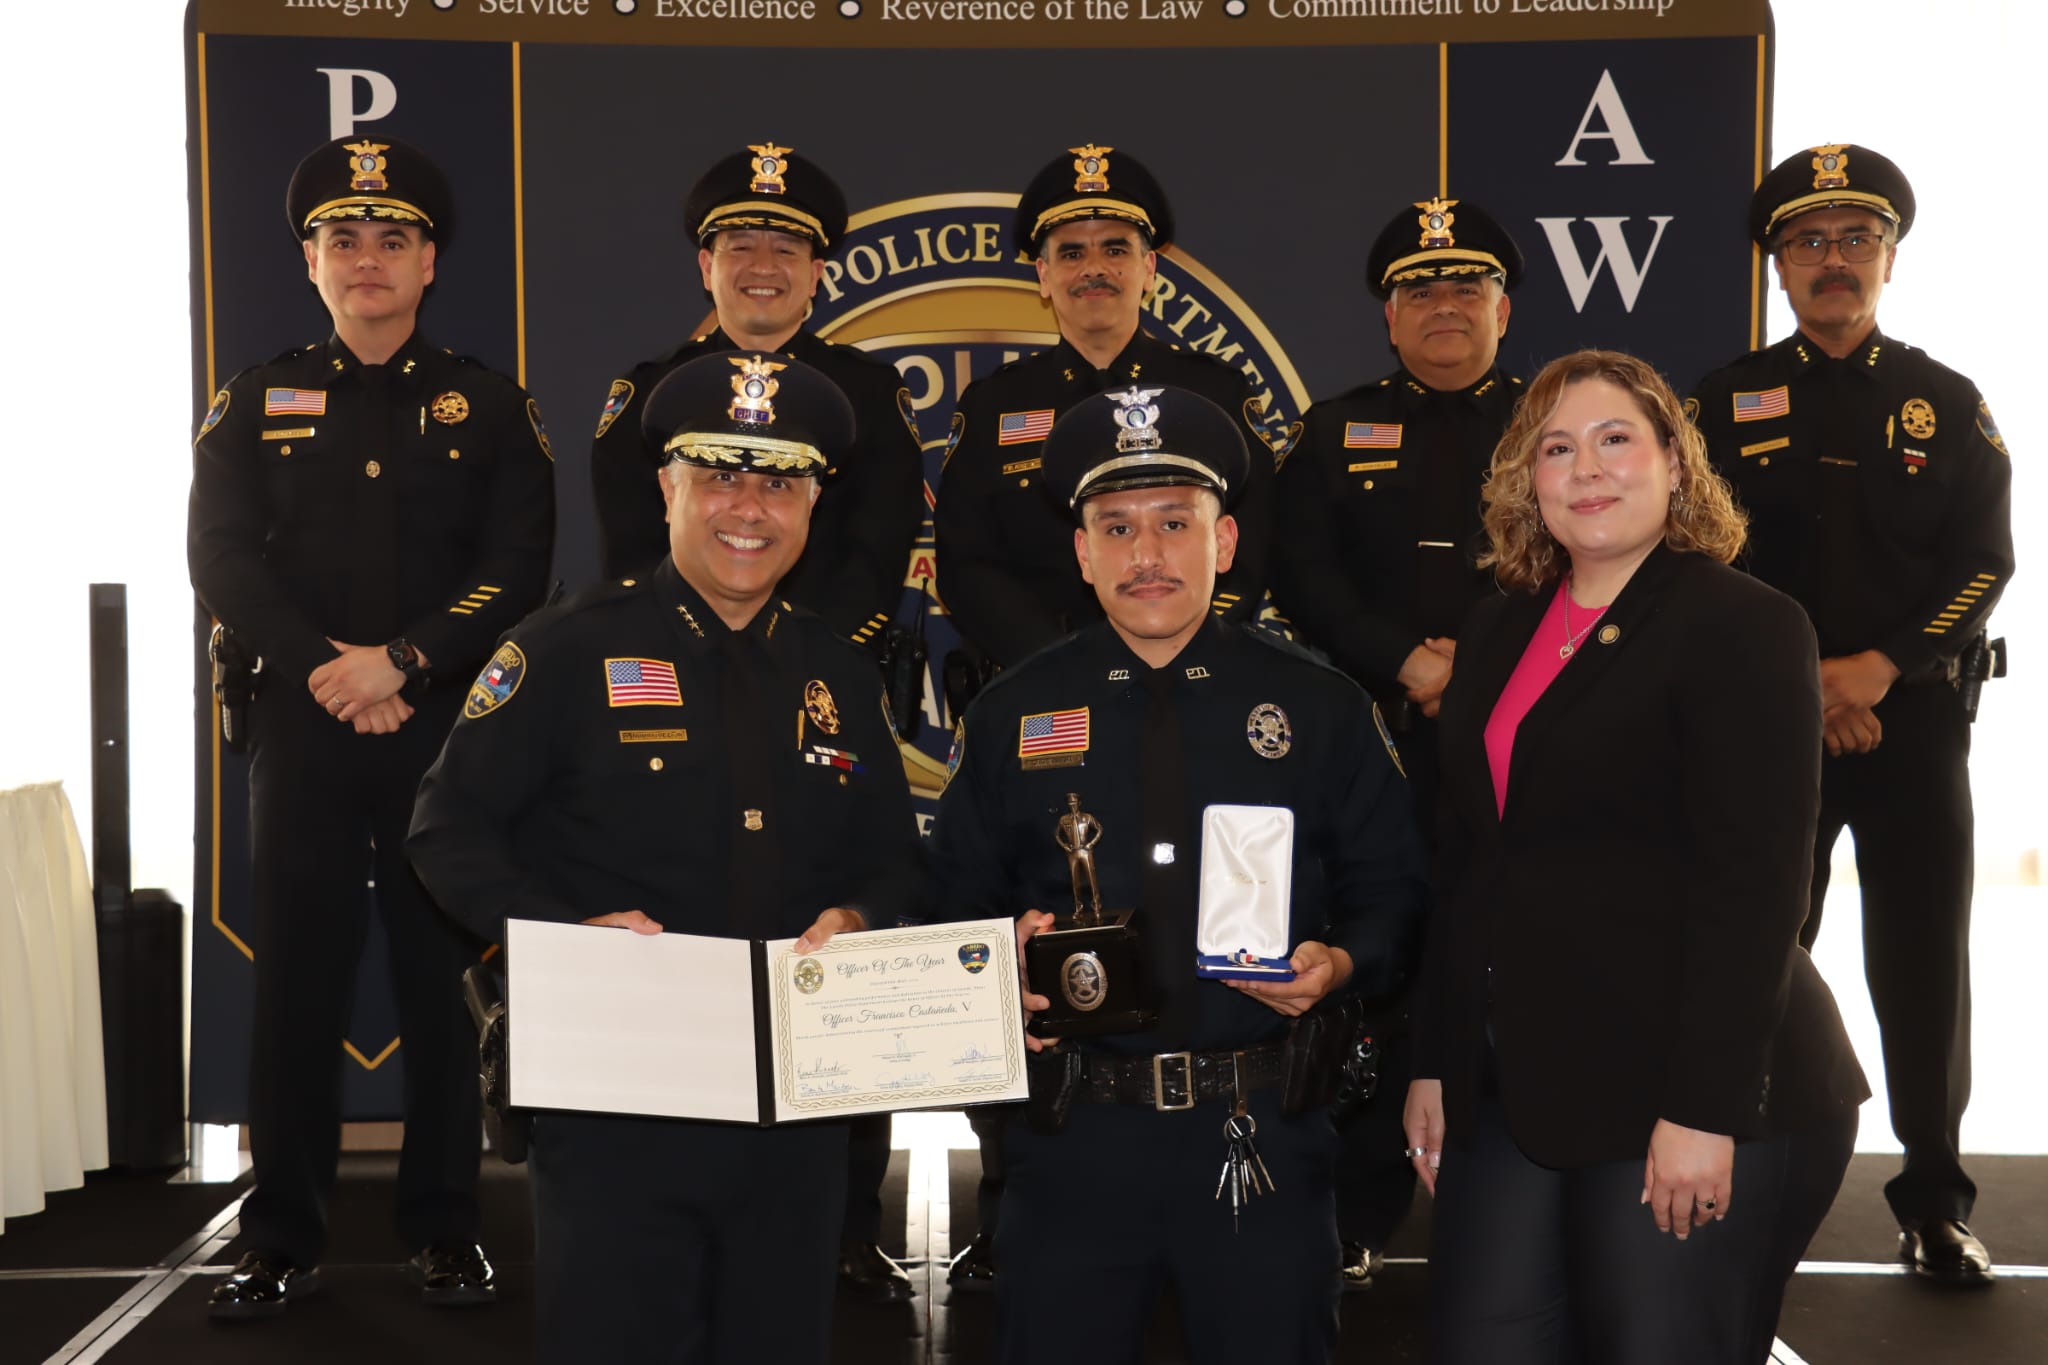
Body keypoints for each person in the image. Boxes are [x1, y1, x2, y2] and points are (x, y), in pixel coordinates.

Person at [408, 351, 921, 1363]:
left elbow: (895, 862)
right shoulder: (563, 650)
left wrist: (861, 919)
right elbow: (446, 828)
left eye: (779, 481)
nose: (750, 509)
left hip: (798, 1107)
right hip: (618, 1103)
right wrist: (563, 936)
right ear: (665, 489)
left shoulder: (837, 673)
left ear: (813, 502)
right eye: (720, 476)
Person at [928, 384, 1425, 1364]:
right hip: (1070, 1137)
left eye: (1172, 523)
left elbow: (1396, 891)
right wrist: (997, 954)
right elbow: (946, 900)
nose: (1145, 554)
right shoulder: (1009, 712)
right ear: (1080, 552)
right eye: (1115, 527)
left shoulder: (1316, 706)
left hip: (1259, 1132)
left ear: (1225, 540)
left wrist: (1336, 963)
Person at [1404, 350, 1869, 1364]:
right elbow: (1467, 863)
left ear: (1672, 460)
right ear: (1526, 482)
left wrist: (1702, 1112)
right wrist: (1437, 1061)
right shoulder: (1494, 628)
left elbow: (1755, 890)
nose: (1585, 469)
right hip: (1518, 1081)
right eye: (1555, 449)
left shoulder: (1742, 625)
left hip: (1698, 1086)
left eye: (1614, 439)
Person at [187, 136, 555, 1318]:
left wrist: (399, 662)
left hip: (443, 733)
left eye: (392, 239)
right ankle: (277, 1235)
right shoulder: (256, 398)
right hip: (300, 728)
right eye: (343, 239)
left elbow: (518, 569)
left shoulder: (490, 405)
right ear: (309, 260)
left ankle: (445, 1226)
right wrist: (327, 670)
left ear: (430, 260)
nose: (367, 260)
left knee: (439, 980)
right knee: (297, 980)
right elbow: (223, 559)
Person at [1689, 144, 2013, 1286]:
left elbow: (1984, 565)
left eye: (1854, 240)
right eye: (1808, 242)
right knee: (1751, 955)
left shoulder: (1945, 401)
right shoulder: (1716, 404)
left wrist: (1882, 666)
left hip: (1912, 723)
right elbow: (1689, 562)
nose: (1832, 262)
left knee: (1922, 968)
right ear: (1777, 263)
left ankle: (1933, 1203)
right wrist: (1803, 687)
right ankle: (1726, 1169)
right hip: (1765, 733)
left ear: (1886, 257)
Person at [1269, 193, 1526, 1289]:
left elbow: (1587, 555)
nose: (1441, 306)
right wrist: (1410, 664)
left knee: (1508, 962)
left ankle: (1508, 1196)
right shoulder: (1333, 429)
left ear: (1501, 309)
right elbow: (1301, 575)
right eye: (1418, 289)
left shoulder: (1551, 424)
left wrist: (1476, 667)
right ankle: (1365, 1208)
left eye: (1463, 285)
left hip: (1520, 742)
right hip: (1374, 741)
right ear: (1386, 316)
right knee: (1377, 965)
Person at [935, 142, 1281, 673]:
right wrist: (1062, 663)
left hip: (1198, 674)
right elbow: (968, 565)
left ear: (1149, 268)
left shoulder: (1216, 394)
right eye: (1071, 253)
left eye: (1115, 250)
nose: (1093, 269)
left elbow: (1252, 539)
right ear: (1044, 277)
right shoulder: (993, 406)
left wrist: (1183, 643)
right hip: (1045, 680)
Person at [588, 141, 923, 648]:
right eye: (740, 247)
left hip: (822, 662)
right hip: (678, 656)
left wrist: (801, 659)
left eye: (786, 249)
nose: (763, 266)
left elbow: (874, 555)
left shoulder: (871, 392)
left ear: (815, 275)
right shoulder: (649, 392)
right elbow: (632, 549)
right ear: (706, 267)